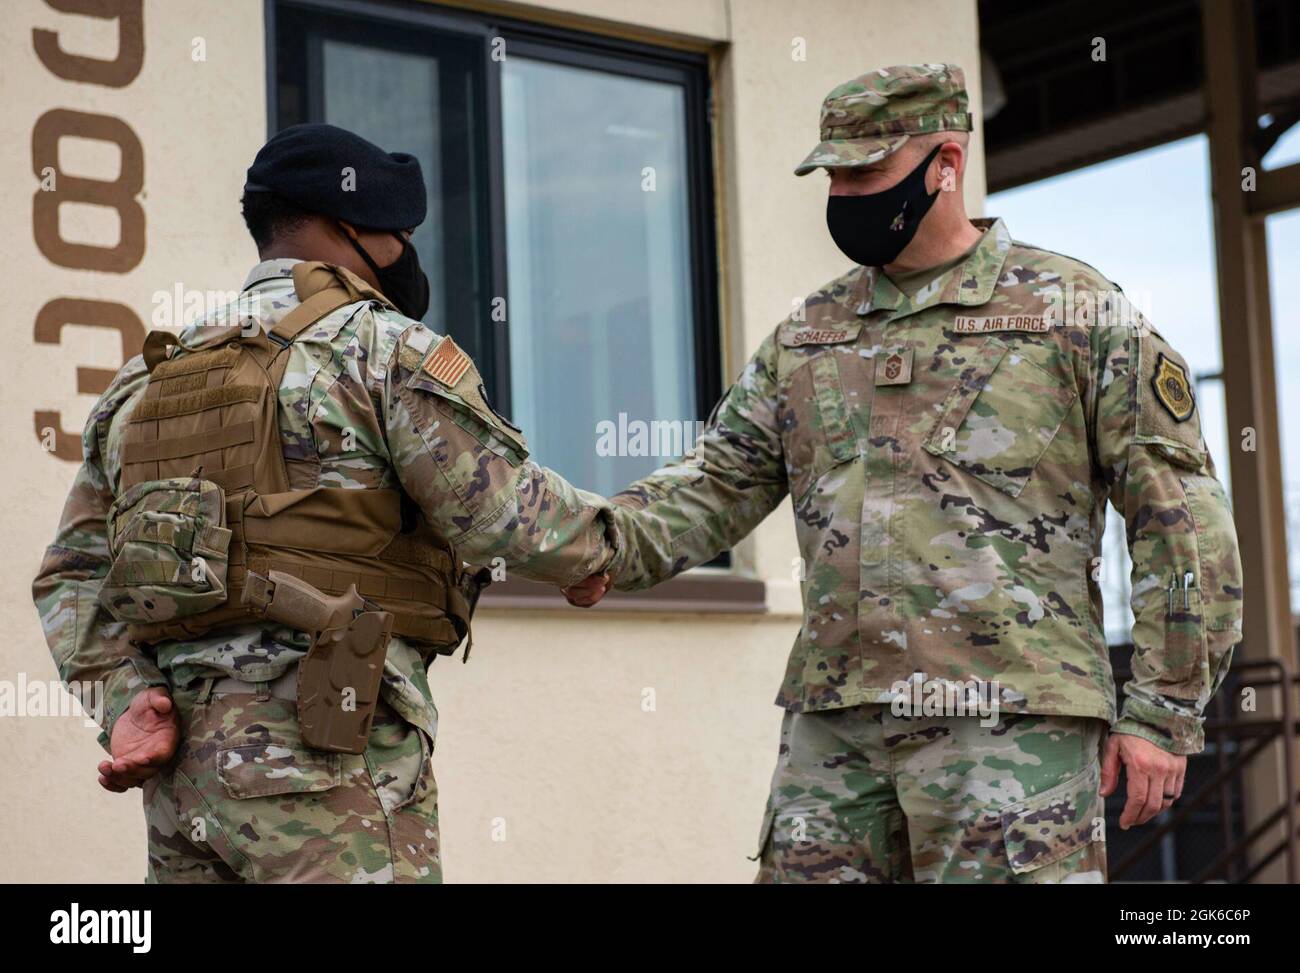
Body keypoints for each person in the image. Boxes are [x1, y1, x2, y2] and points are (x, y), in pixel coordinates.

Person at [567, 64, 1243, 883]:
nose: (846, 194)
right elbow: (718, 478)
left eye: (868, 172)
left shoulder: (1075, 311)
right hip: (837, 731)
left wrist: (1164, 709)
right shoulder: (809, 334)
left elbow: (1180, 518)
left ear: (946, 164)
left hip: (1008, 727)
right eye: (835, 175)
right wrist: (598, 544)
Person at [33, 123, 621, 884]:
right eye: (399, 233)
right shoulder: (383, 349)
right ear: (351, 229)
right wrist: (604, 548)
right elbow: (508, 512)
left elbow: (71, 575)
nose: (406, 252)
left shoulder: (146, 382)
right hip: (327, 756)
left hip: (183, 783)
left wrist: (124, 699)